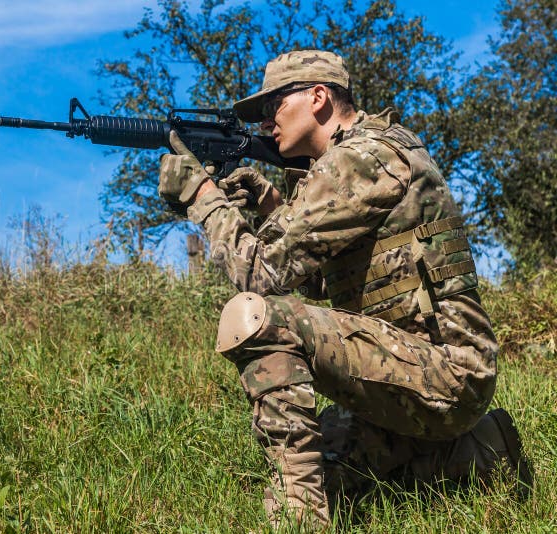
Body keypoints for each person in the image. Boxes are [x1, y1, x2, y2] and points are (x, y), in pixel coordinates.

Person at [157, 50, 533, 529]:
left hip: (445, 374)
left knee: (257, 318)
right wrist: (271, 202)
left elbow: (259, 277)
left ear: (318, 97)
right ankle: (480, 451)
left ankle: (301, 519)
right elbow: (319, 279)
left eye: (274, 105)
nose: (267, 122)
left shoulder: (359, 158)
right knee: (334, 472)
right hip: (419, 371)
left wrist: (203, 197)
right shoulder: (367, 152)